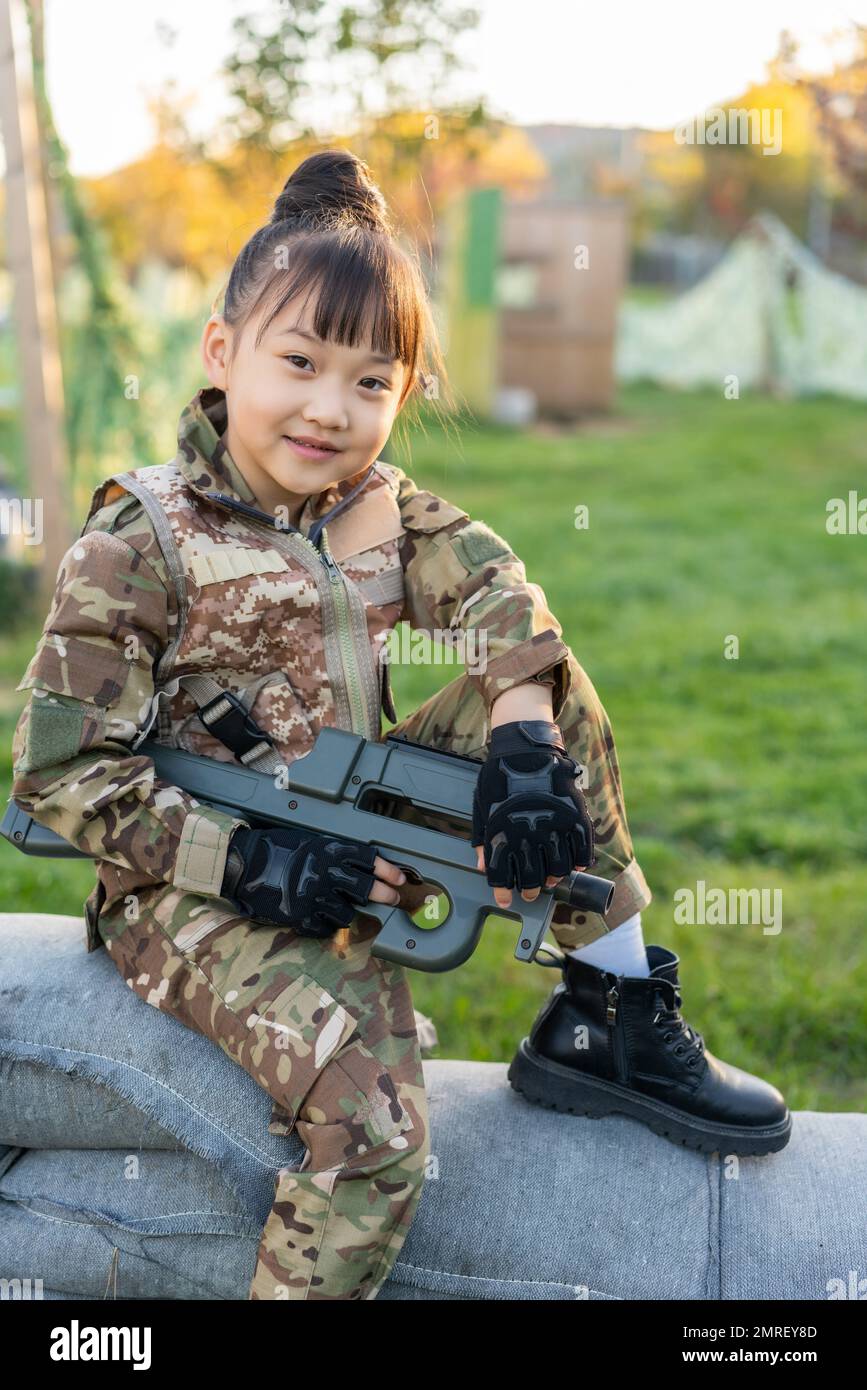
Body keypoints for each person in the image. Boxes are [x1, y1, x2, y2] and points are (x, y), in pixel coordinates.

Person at [10, 149, 789, 1302]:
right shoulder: (143, 535)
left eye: (373, 382)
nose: (331, 409)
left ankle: (610, 1013)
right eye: (300, 363)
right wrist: (260, 867)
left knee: (551, 690)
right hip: (189, 882)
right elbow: (58, 774)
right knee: (374, 1130)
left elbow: (498, 597)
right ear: (223, 355)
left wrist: (524, 745)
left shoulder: (376, 505)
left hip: (348, 815)